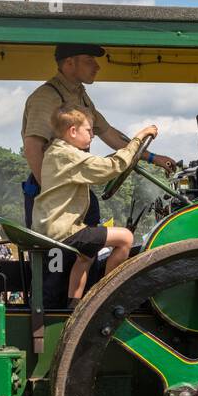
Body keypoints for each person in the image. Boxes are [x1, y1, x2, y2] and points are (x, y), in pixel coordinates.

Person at [20, 43, 177, 227]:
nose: (97, 66)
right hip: (54, 190)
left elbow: (109, 133)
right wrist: (52, 193)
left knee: (92, 215)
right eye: (89, 61)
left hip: (73, 183)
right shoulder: (46, 97)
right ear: (69, 63)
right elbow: (32, 147)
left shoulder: (80, 96)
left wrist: (152, 157)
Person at [32, 106, 155, 305]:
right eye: (89, 131)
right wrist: (139, 138)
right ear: (73, 131)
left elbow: (103, 165)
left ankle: (75, 304)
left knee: (86, 256)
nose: (92, 136)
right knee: (125, 238)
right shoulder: (69, 156)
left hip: (52, 228)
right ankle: (104, 296)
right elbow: (113, 167)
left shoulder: (56, 151)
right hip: (62, 230)